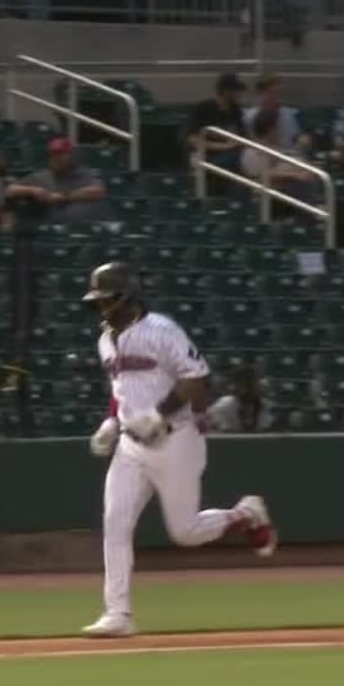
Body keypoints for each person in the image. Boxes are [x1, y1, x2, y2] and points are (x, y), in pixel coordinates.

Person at [81, 262, 276, 637]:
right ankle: (118, 613)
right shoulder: (105, 339)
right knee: (115, 523)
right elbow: (122, 388)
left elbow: (197, 380)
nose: (102, 308)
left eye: (107, 300)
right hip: (130, 447)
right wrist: (111, 421)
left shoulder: (162, 330)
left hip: (175, 439)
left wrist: (158, 414)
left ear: (127, 296)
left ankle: (244, 514)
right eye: (98, 302)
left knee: (185, 532)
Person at [5, 138, 108, 225]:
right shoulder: (41, 176)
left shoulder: (84, 174)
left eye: (60, 154)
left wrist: (62, 197)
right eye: (53, 154)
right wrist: (33, 190)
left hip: (80, 227)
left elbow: (98, 192)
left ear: (70, 156)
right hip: (50, 229)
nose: (56, 158)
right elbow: (10, 190)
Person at [187, 72, 247, 175]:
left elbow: (242, 137)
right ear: (225, 91)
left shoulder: (236, 110)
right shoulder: (204, 108)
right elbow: (193, 140)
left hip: (232, 155)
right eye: (236, 90)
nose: (239, 94)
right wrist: (224, 146)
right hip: (208, 158)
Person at [205, 365, 273, 433]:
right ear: (236, 385)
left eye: (253, 383)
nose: (250, 388)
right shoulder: (224, 406)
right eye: (245, 383)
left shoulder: (269, 407)